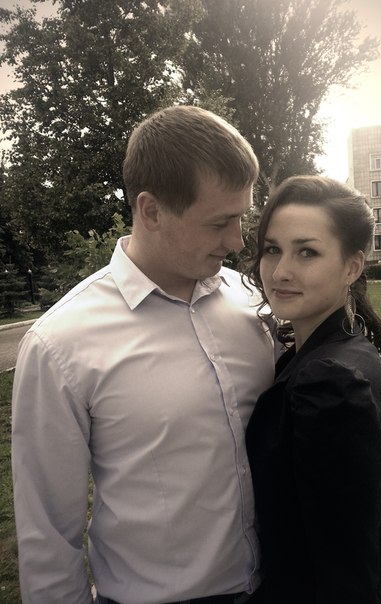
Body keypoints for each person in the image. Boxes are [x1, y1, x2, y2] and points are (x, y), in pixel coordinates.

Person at [11, 106, 277, 604]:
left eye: (241, 217)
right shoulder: (61, 345)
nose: (238, 240)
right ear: (151, 211)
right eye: (220, 222)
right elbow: (47, 535)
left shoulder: (251, 301)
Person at [244, 175, 381, 603]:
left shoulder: (329, 382)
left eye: (307, 252)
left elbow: (344, 574)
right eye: (272, 249)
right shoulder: (342, 349)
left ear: (352, 267)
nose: (280, 272)